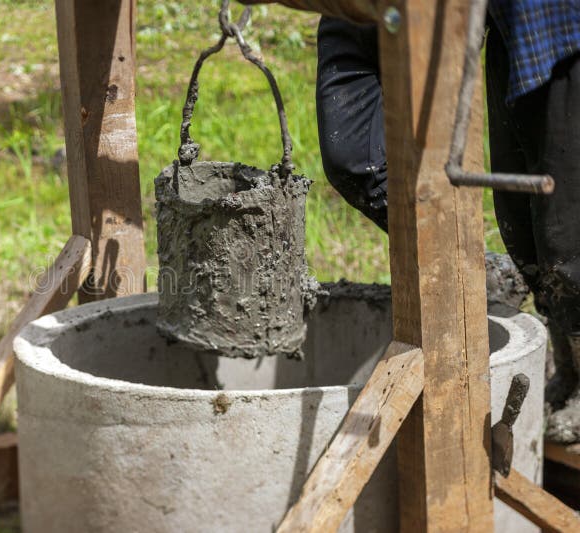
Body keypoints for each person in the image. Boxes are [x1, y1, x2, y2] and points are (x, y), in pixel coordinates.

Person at [240, 0, 580, 443]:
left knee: (563, 239)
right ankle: (558, 352)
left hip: (547, 26)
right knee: (522, 229)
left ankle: (573, 371)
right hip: (478, 20)